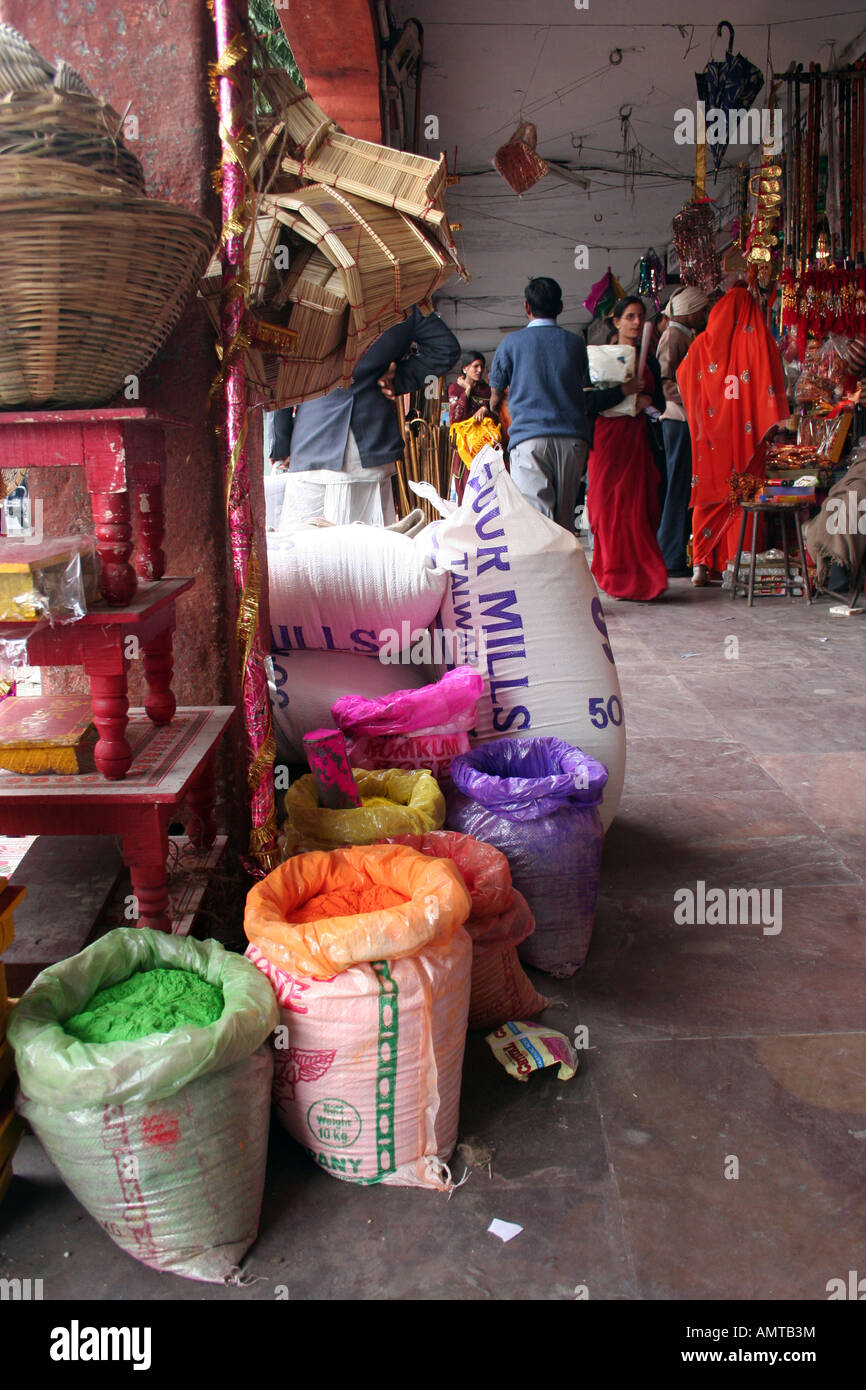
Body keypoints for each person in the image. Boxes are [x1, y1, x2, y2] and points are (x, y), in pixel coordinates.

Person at [269, 305, 461, 526]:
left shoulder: (305, 300)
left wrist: (281, 443)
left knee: (306, 547)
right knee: (370, 547)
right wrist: (398, 378)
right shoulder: (398, 301)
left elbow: (280, 374)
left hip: (313, 440)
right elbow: (445, 349)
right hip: (371, 443)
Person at [677, 286, 789, 586]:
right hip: (748, 440)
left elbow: (683, 380)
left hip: (711, 439)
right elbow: (771, 386)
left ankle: (701, 563)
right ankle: (737, 563)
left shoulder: (700, 345)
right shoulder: (758, 341)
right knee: (744, 500)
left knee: (710, 495)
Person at [487, 276, 590, 533]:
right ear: (561, 307)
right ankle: (563, 569)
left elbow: (495, 395)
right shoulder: (575, 344)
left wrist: (495, 405)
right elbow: (585, 386)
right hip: (571, 440)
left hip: (529, 439)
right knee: (564, 520)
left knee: (537, 519)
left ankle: (545, 570)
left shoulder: (511, 344)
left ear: (526, 307)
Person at [584, 296, 668, 601]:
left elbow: (660, 402)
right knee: (606, 509)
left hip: (637, 439)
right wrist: (623, 392)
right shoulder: (598, 358)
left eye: (640, 317)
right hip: (607, 441)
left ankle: (645, 577)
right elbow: (588, 402)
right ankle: (613, 574)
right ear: (616, 322)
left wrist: (647, 400)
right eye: (629, 316)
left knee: (637, 507)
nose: (635, 322)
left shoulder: (650, 361)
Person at [656, 287, 710, 577]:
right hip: (678, 420)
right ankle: (669, 556)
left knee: (681, 488)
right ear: (690, 311)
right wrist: (695, 397)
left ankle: (674, 553)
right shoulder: (675, 336)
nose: (704, 316)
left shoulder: (683, 335)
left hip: (683, 420)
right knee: (678, 488)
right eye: (701, 310)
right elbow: (666, 382)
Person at [448, 350, 492, 502]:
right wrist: (467, 390)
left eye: (482, 366)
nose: (480, 370)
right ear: (465, 368)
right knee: (465, 493)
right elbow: (456, 419)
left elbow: (495, 416)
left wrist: (486, 409)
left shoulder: (486, 390)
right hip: (464, 450)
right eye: (476, 366)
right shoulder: (455, 388)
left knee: (484, 493)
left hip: (483, 448)